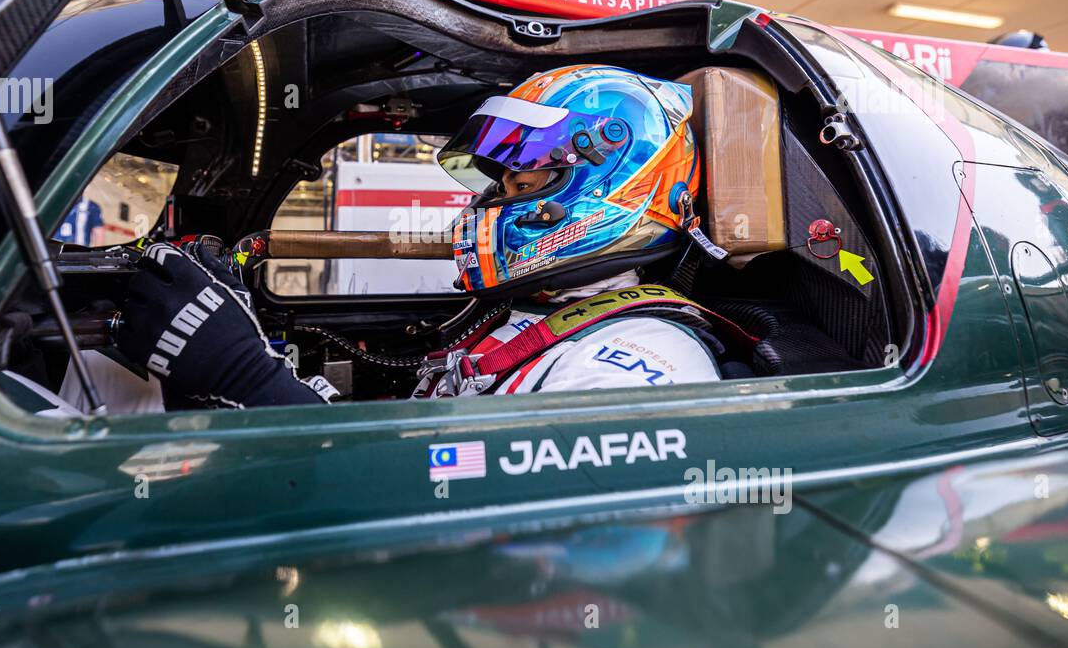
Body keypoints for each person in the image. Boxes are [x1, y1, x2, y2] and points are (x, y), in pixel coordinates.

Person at [113, 64, 739, 408]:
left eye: (521, 182)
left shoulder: (647, 365)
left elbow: (482, 525)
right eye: (500, 184)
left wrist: (250, 378)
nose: (490, 202)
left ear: (609, 183)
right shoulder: (520, 315)